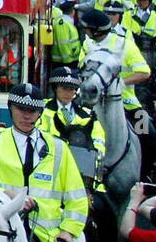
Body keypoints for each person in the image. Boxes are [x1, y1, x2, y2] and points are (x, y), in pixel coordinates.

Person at [0, 84, 91, 242]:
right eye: (20, 109)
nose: (26, 116)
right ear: (11, 108)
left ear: (40, 113)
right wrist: (9, 195)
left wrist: (68, 232)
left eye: (32, 111)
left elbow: (77, 197)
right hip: (2, 234)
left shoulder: (59, 148)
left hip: (47, 239)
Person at [37, 68, 106, 196]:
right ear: (55, 88)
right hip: (51, 167)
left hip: (82, 169)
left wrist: (94, 154)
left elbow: (98, 140)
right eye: (64, 88)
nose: (69, 93)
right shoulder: (43, 110)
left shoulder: (88, 115)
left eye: (72, 89)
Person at [50, 0, 81, 65]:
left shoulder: (67, 22)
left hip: (71, 59)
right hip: (64, 61)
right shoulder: (62, 23)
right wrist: (67, 61)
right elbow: (62, 43)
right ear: (73, 11)